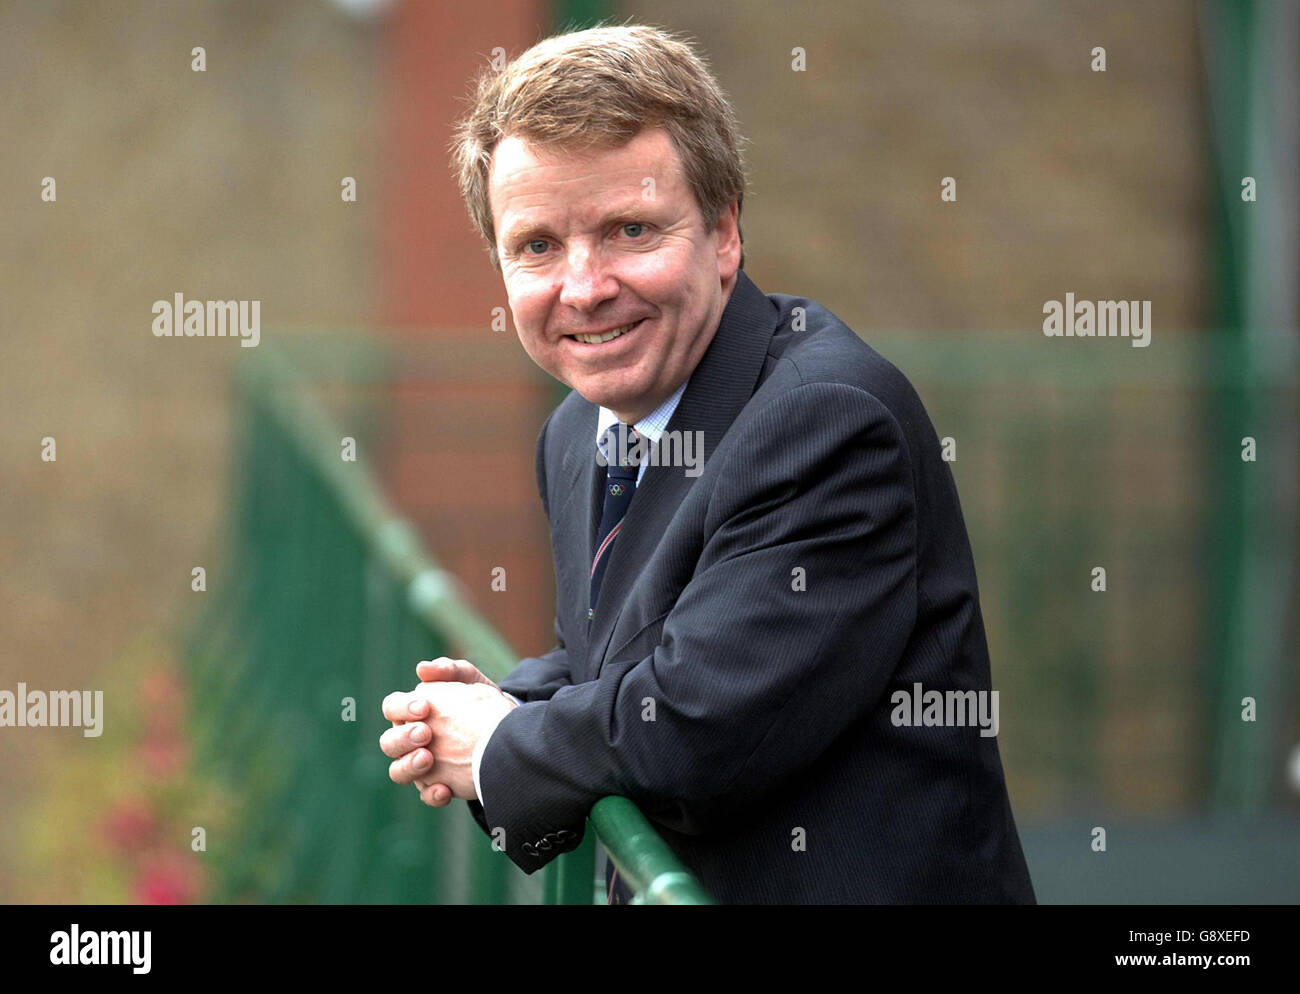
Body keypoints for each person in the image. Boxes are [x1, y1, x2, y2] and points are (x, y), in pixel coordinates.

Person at [379, 23, 1035, 904]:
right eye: (537, 245)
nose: (583, 286)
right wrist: (493, 704)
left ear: (724, 233)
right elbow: (626, 654)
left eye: (629, 230)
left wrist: (500, 746)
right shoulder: (578, 430)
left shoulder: (830, 423)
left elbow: (696, 729)